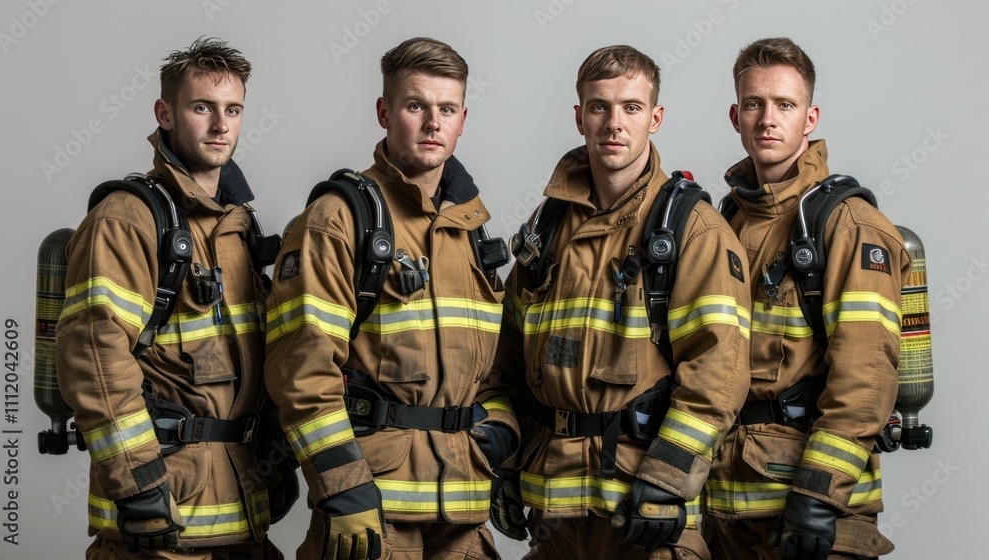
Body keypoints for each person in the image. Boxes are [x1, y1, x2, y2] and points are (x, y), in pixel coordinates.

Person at [490, 45, 752, 560]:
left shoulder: (690, 230)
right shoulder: (544, 231)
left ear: (655, 118)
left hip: (646, 515)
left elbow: (718, 371)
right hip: (554, 515)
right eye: (599, 107)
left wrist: (667, 479)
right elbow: (507, 360)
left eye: (631, 108)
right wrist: (506, 462)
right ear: (579, 116)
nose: (614, 123)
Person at [265, 37, 518, 560]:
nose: (432, 123)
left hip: (463, 513)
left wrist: (499, 434)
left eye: (446, 109)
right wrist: (343, 485)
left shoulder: (471, 230)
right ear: (383, 112)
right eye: (415, 105)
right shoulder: (339, 220)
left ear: (463, 119)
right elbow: (303, 371)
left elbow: (498, 370)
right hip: (373, 512)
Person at [55, 37, 284, 558]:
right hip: (160, 527)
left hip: (243, 521)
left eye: (233, 110)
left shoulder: (238, 227)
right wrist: (137, 484)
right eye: (202, 107)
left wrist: (276, 454)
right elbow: (94, 359)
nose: (221, 125)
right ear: (165, 112)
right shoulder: (126, 219)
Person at [702, 37, 908, 559]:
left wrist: (817, 497)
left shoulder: (848, 225)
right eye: (754, 104)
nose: (767, 119)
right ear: (735, 115)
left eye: (785, 105)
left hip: (818, 517)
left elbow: (865, 378)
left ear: (809, 117)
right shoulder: (722, 223)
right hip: (728, 509)